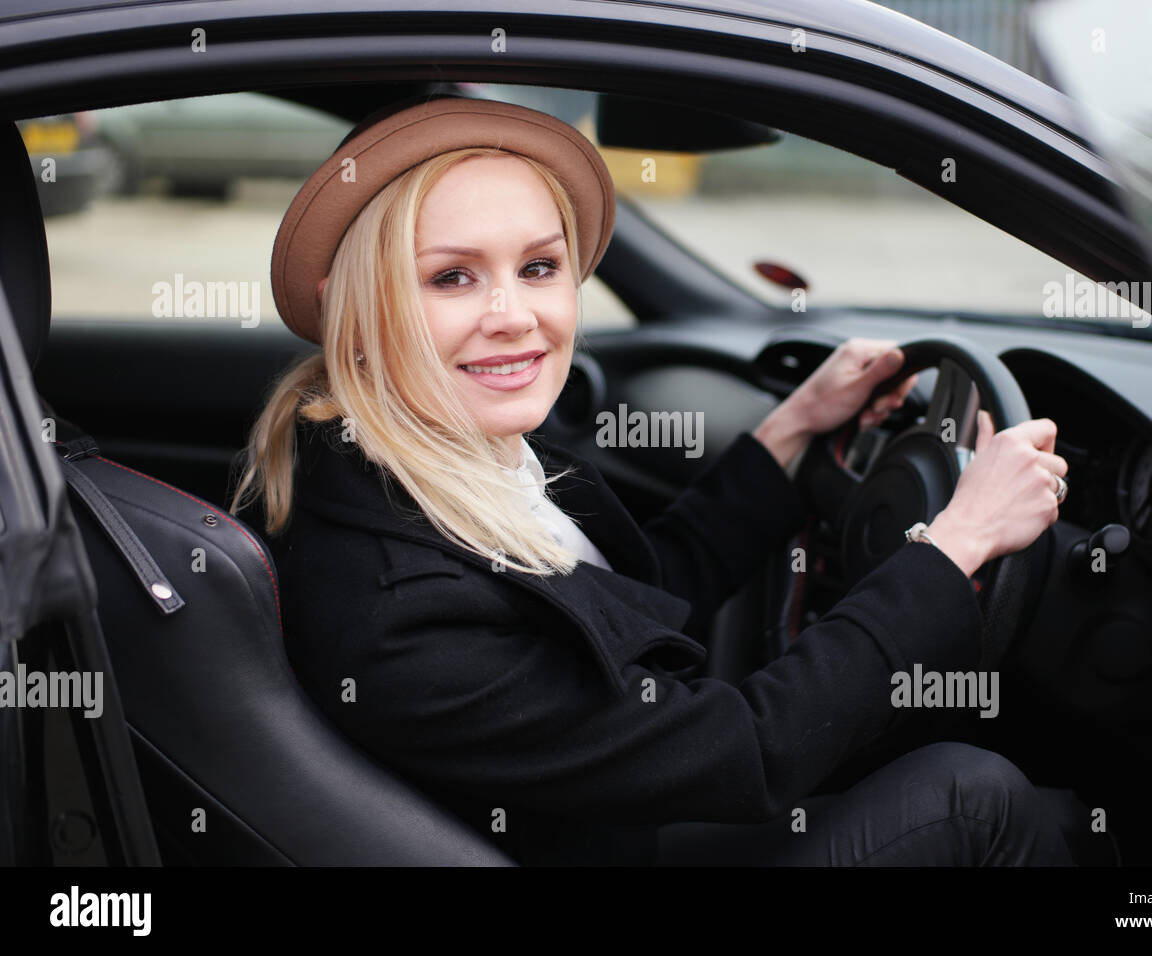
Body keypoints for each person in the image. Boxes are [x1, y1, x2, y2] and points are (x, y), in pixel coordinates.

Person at [230, 96, 1075, 866]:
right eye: (452, 276)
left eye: (538, 268)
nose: (515, 317)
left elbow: (632, 598)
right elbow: (751, 750)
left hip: (604, 827)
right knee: (972, 801)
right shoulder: (397, 610)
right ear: (355, 304)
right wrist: (956, 544)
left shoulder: (449, 455)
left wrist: (791, 430)